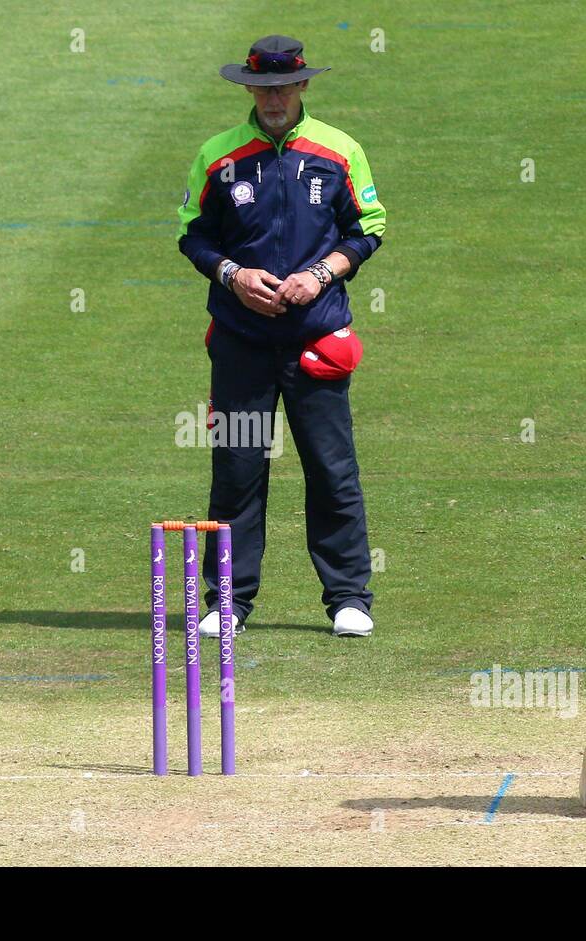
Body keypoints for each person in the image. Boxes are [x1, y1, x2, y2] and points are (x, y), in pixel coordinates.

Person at [177, 36, 387, 637]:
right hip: (241, 345)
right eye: (263, 89)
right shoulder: (219, 156)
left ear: (302, 87)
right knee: (238, 468)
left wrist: (321, 274)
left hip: (316, 342)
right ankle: (229, 602)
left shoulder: (339, 151)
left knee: (330, 469)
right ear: (249, 89)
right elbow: (193, 235)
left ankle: (349, 598)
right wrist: (233, 274)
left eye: (284, 88)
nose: (274, 100)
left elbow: (368, 228)